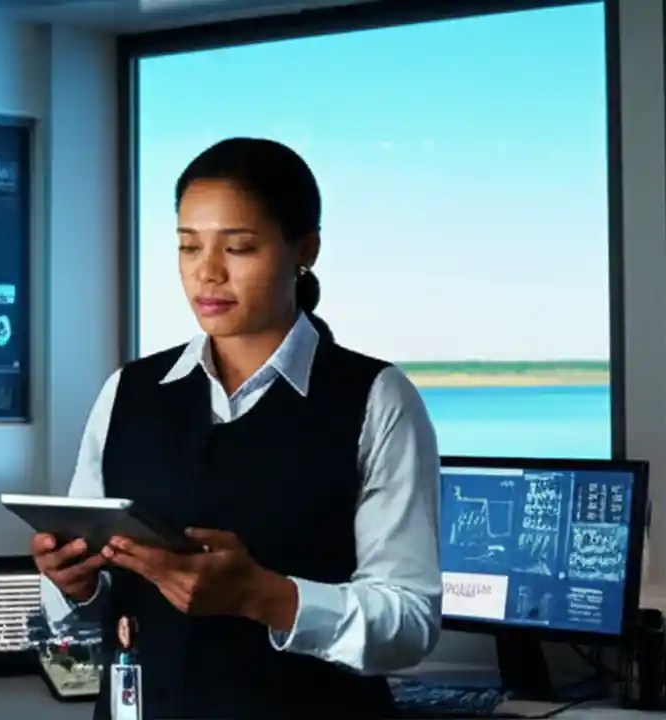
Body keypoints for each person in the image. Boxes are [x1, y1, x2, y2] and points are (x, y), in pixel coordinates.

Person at [32, 137, 441, 720]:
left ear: (305, 249)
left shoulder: (376, 398)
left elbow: (410, 622)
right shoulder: (128, 391)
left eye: (240, 247)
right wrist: (74, 585)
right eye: (188, 246)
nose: (208, 272)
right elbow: (88, 612)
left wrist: (265, 596)